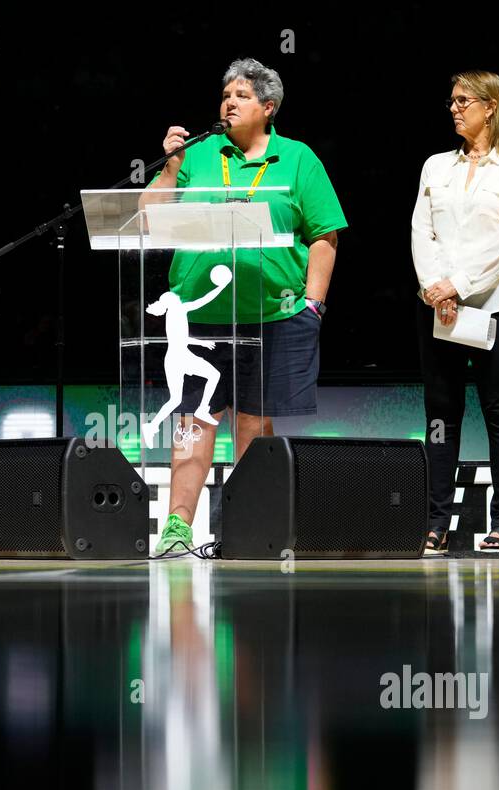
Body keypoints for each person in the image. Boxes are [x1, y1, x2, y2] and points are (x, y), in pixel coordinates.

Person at [146, 57, 347, 555]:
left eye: (241, 95)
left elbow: (325, 236)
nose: (228, 102)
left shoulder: (298, 159)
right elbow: (149, 220)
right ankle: (177, 528)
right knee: (194, 423)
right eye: (225, 95)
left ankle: (245, 523)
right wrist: (171, 165)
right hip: (198, 317)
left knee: (255, 426)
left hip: (272, 317)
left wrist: (314, 304)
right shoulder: (198, 153)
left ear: (268, 107)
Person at [411, 70, 499, 553]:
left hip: (497, 303)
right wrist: (434, 287)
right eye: (452, 100)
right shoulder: (435, 166)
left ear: (491, 107)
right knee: (441, 413)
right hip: (440, 306)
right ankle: (435, 523)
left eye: (464, 100)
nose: (454, 108)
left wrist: (458, 284)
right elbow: (422, 231)